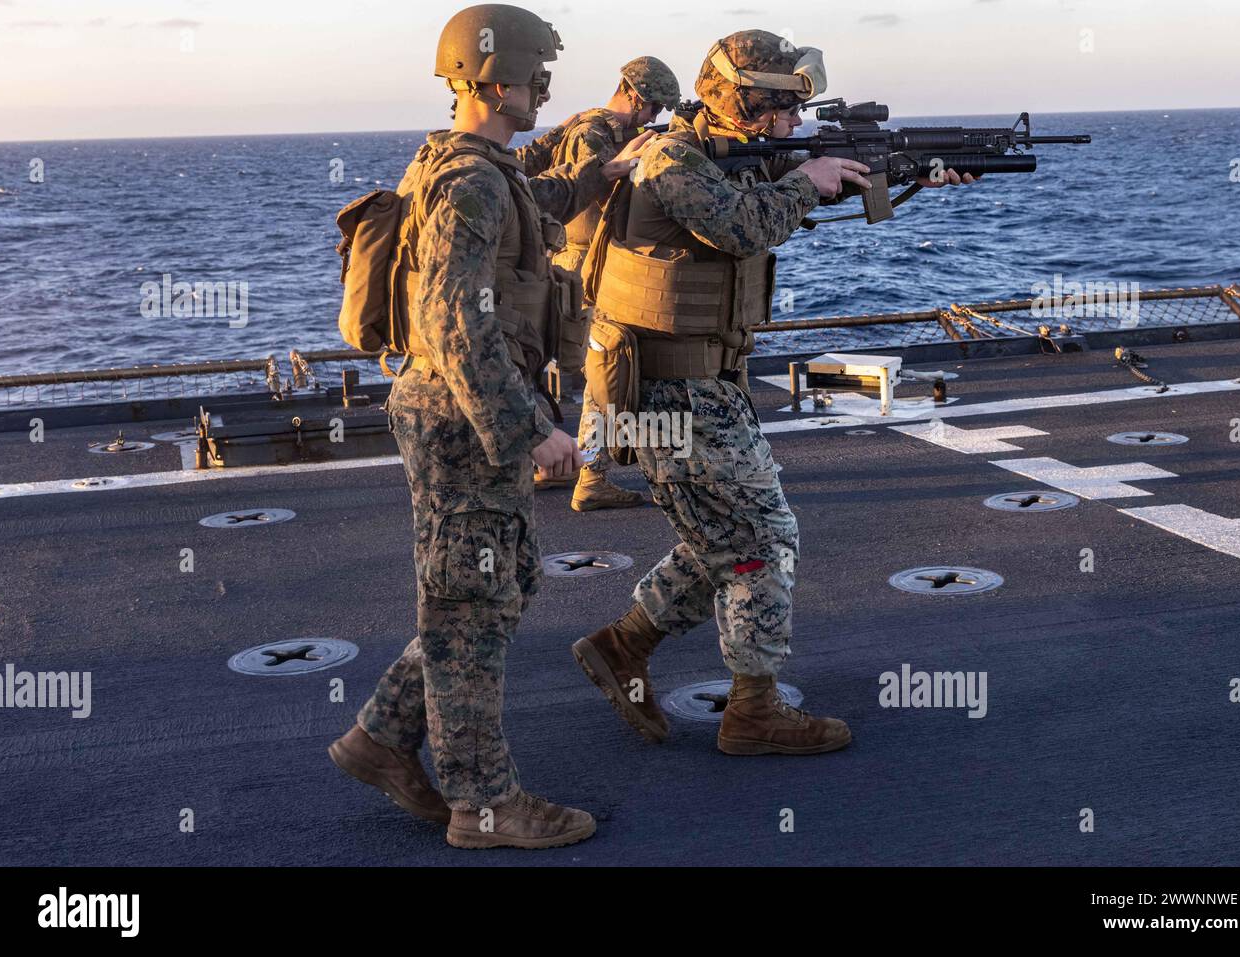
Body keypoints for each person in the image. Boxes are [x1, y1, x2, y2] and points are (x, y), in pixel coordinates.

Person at [572, 30, 977, 754]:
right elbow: (740, 226)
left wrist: (914, 178)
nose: (793, 125)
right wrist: (805, 178)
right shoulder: (671, 157)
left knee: (719, 539)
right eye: (780, 109)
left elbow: (799, 207)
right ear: (737, 100)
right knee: (762, 539)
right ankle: (753, 711)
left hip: (701, 383)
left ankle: (622, 646)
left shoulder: (729, 156)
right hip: (671, 387)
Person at [328, 2, 652, 850]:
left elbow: (536, 201)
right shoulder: (470, 180)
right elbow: (453, 322)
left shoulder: (470, 166)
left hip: (458, 408)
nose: (546, 90)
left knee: (490, 590)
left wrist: (607, 171)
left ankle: (379, 737)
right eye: (539, 76)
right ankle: (485, 806)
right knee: (471, 608)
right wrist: (528, 428)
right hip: (463, 417)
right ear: (499, 78)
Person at [515, 56, 682, 511]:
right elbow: (591, 184)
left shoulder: (588, 125)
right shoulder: (600, 133)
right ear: (632, 93)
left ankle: (555, 464)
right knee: (606, 368)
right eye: (652, 107)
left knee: (582, 365)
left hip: (574, 261)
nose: (654, 118)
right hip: (590, 266)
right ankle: (591, 476)